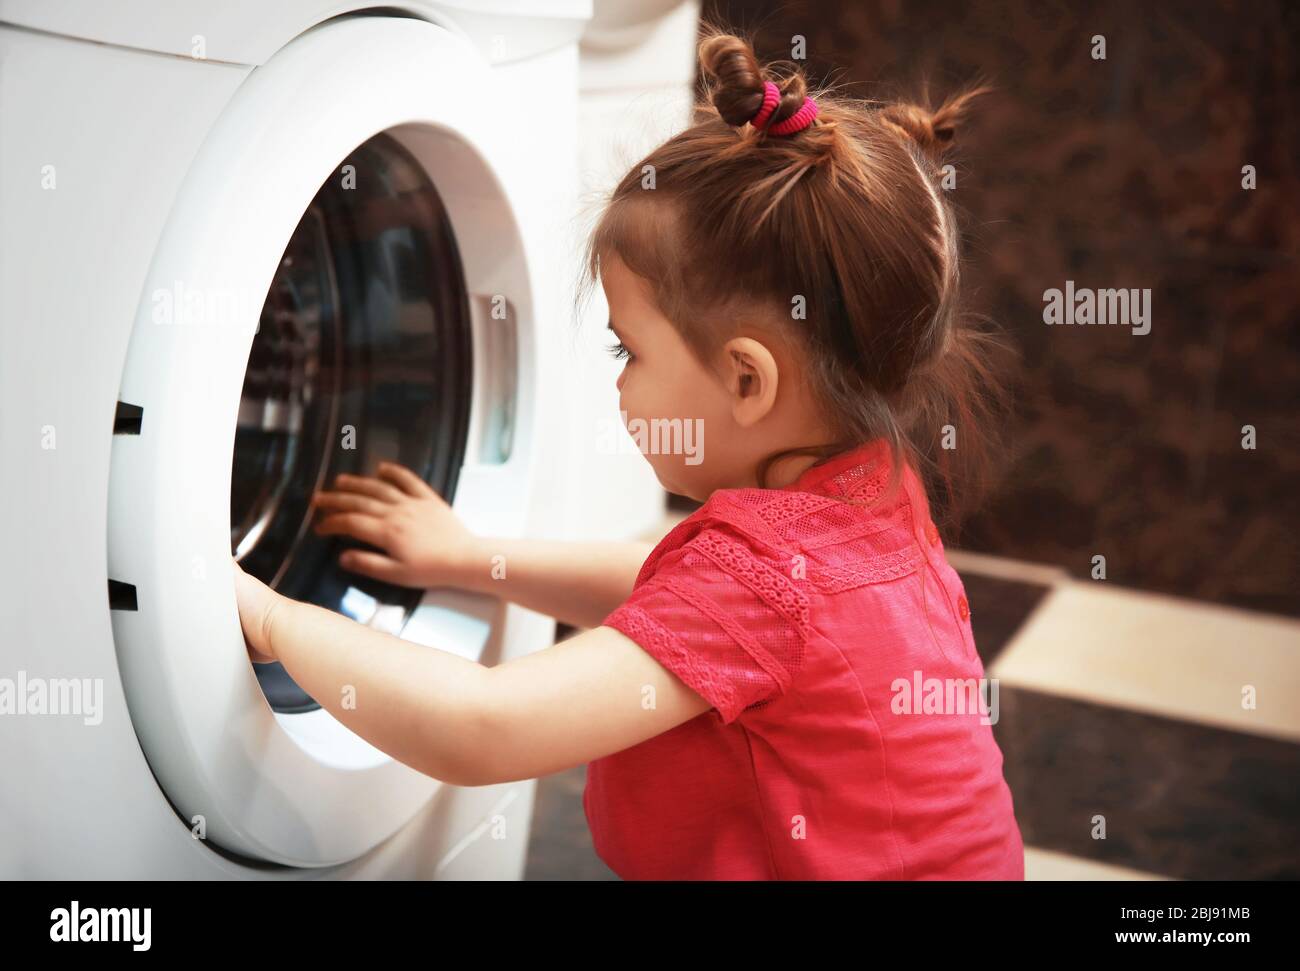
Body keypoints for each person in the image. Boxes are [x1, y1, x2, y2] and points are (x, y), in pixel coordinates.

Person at [234, 25, 1023, 880]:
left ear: (748, 381)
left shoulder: (770, 588)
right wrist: (473, 557)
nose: (619, 386)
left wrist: (275, 618)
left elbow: (484, 726)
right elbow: (669, 577)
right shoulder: (871, 497)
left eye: (628, 353)